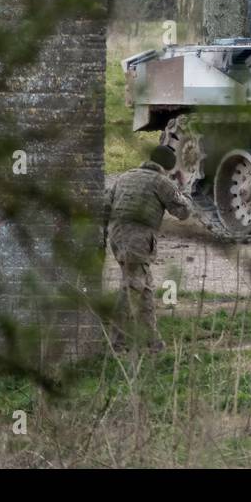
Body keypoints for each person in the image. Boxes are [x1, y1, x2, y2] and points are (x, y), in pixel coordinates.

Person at [103, 144, 191, 350]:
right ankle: (118, 342)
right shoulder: (161, 181)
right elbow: (183, 212)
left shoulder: (125, 176)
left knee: (145, 288)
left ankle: (153, 341)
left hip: (117, 237)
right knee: (132, 287)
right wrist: (186, 193)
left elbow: (105, 207)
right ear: (167, 167)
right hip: (138, 240)